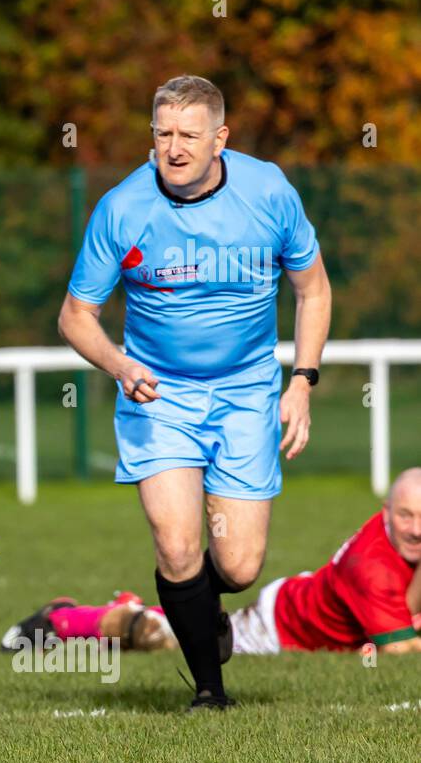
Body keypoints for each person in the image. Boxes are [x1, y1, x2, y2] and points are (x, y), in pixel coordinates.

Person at [57, 75, 332, 710]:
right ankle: (210, 690)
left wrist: (302, 382)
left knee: (238, 567)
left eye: (189, 135)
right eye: (163, 134)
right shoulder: (123, 208)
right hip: (160, 397)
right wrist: (119, 366)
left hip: (247, 393)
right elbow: (76, 316)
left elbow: (313, 290)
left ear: (220, 138)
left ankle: (203, 605)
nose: (174, 148)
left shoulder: (267, 192)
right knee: (177, 544)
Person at [3, 468, 421, 656]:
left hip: (301, 599)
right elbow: (399, 650)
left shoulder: (394, 542)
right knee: (161, 636)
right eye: (406, 516)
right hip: (277, 630)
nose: (416, 529)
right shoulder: (373, 567)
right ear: (385, 511)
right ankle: (66, 620)